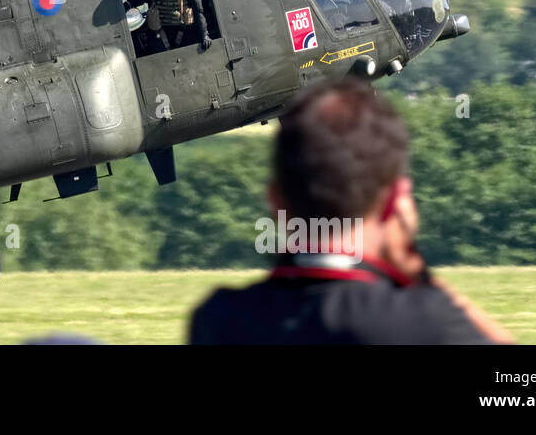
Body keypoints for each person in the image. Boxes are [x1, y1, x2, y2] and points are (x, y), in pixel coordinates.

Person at [189, 79, 513, 345]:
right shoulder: (426, 322)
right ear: (395, 203)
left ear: (275, 201)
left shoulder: (219, 321)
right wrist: (416, 272)